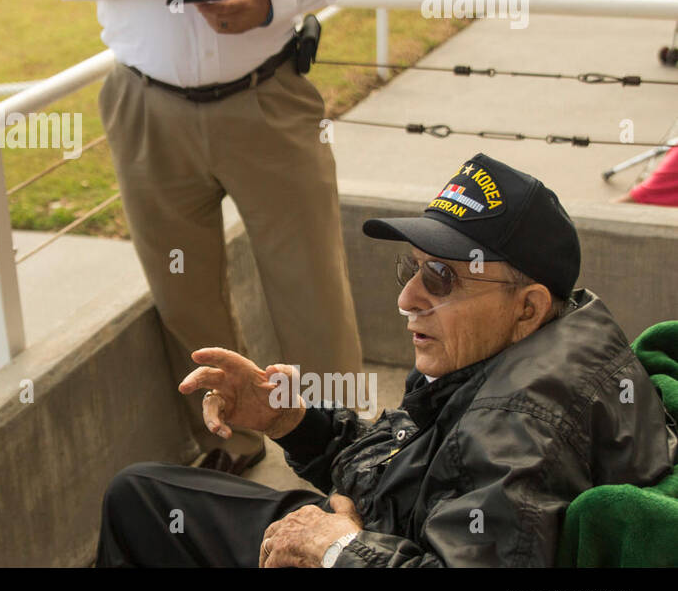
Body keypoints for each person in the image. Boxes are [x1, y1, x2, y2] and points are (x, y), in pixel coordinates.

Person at [26, 0, 364, 468]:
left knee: (313, 297)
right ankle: (235, 443)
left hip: (270, 98)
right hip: (148, 111)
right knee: (188, 303)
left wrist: (272, 1)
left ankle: (353, 464)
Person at [96, 153, 678, 567]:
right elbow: (416, 471)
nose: (407, 299)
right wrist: (292, 422)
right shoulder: (533, 347)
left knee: (139, 505)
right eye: (412, 268)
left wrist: (340, 550)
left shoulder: (522, 424)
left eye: (442, 277)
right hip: (381, 536)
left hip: (367, 549)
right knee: (140, 496)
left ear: (528, 307)